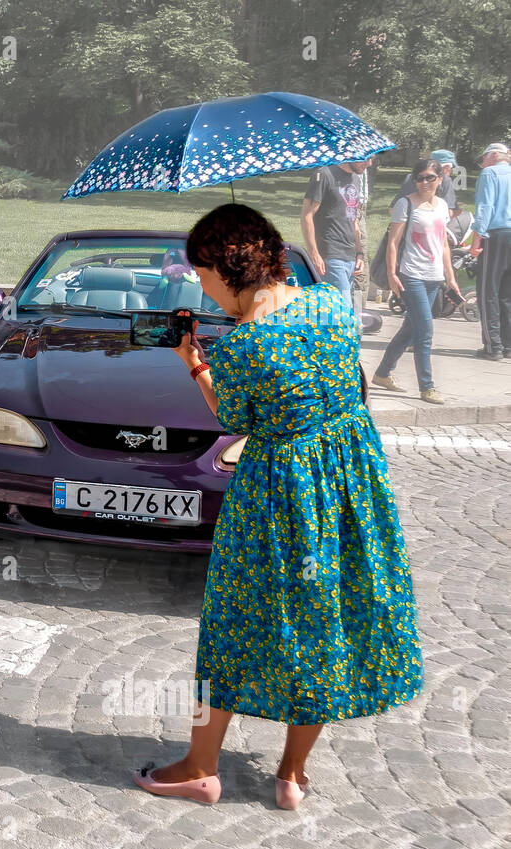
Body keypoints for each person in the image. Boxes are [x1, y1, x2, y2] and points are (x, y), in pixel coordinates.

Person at [133, 203, 422, 810]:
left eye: (202, 275)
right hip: (350, 484)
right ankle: (291, 776)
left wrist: (194, 365)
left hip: (278, 492)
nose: (201, 288)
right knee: (326, 616)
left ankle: (200, 768)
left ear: (225, 266)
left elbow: (235, 417)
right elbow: (350, 383)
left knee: (235, 622)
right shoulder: (332, 305)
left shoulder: (243, 347)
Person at [372, 158, 462, 402]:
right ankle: (427, 386)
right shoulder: (406, 204)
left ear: (440, 179)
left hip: (434, 277)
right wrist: (392, 274)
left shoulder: (442, 206)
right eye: (420, 178)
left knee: (410, 329)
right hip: (411, 275)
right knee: (425, 331)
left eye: (429, 177)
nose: (424, 182)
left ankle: (381, 374)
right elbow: (393, 242)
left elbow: (443, 243)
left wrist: (450, 277)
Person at [300, 157, 371, 303]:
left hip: (350, 257)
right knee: (344, 310)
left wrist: (359, 253)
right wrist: (314, 254)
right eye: (365, 158)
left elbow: (353, 220)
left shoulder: (356, 179)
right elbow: (307, 216)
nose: (369, 163)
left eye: (371, 159)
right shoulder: (324, 175)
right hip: (331, 255)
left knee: (337, 313)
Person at [470, 142, 511, 359]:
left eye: (484, 157)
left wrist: (477, 239)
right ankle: (508, 343)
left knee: (489, 291)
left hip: (496, 235)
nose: (482, 162)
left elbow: (485, 207)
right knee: (507, 293)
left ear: (494, 155)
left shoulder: (490, 173)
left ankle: (493, 345)